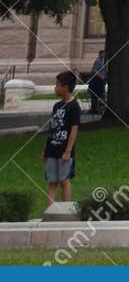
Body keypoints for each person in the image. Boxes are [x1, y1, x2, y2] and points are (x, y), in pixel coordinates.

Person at [42, 71, 81, 204]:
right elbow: (52, 129)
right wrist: (45, 151)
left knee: (64, 181)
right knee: (52, 181)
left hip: (64, 151)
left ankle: (65, 213)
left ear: (65, 88)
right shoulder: (56, 106)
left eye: (57, 85)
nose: (55, 87)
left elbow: (74, 129)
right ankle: (50, 213)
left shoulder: (74, 106)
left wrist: (68, 151)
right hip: (52, 149)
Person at [87, 52, 107, 117]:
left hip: (100, 81)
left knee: (100, 95)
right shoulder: (97, 61)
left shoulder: (103, 61)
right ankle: (94, 109)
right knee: (95, 96)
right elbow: (94, 70)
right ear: (100, 54)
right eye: (102, 54)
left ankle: (98, 108)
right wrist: (101, 76)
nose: (104, 55)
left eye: (104, 54)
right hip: (96, 81)